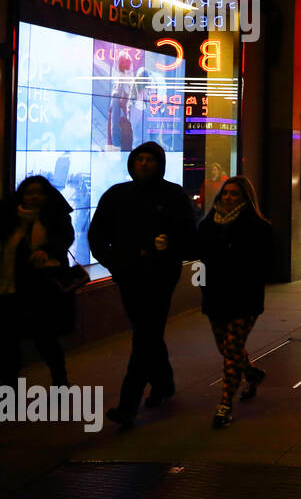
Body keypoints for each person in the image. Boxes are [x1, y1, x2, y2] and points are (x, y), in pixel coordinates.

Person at [89, 141, 195, 428]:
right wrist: (115, 262)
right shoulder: (117, 195)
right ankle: (164, 383)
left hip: (161, 274)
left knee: (145, 334)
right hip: (129, 274)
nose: (144, 164)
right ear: (132, 163)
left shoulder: (173, 195)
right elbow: (97, 235)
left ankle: (128, 403)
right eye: (140, 159)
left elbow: (189, 236)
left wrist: (170, 246)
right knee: (148, 331)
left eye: (150, 159)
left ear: (159, 164)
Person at [195, 177, 273, 428]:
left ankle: (225, 404)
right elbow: (198, 254)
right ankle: (252, 373)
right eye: (225, 194)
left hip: (244, 297)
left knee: (231, 349)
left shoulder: (257, 226)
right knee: (226, 347)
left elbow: (266, 262)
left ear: (245, 199)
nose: (228, 198)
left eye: (234, 195)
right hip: (216, 296)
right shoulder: (207, 225)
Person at [0, 176, 76, 390]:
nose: (34, 197)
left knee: (45, 340)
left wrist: (47, 251)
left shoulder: (54, 218)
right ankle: (8, 389)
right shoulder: (8, 217)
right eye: (28, 192)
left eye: (39, 192)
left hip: (40, 290)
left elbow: (63, 239)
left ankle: (60, 381)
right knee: (8, 343)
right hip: (8, 289)